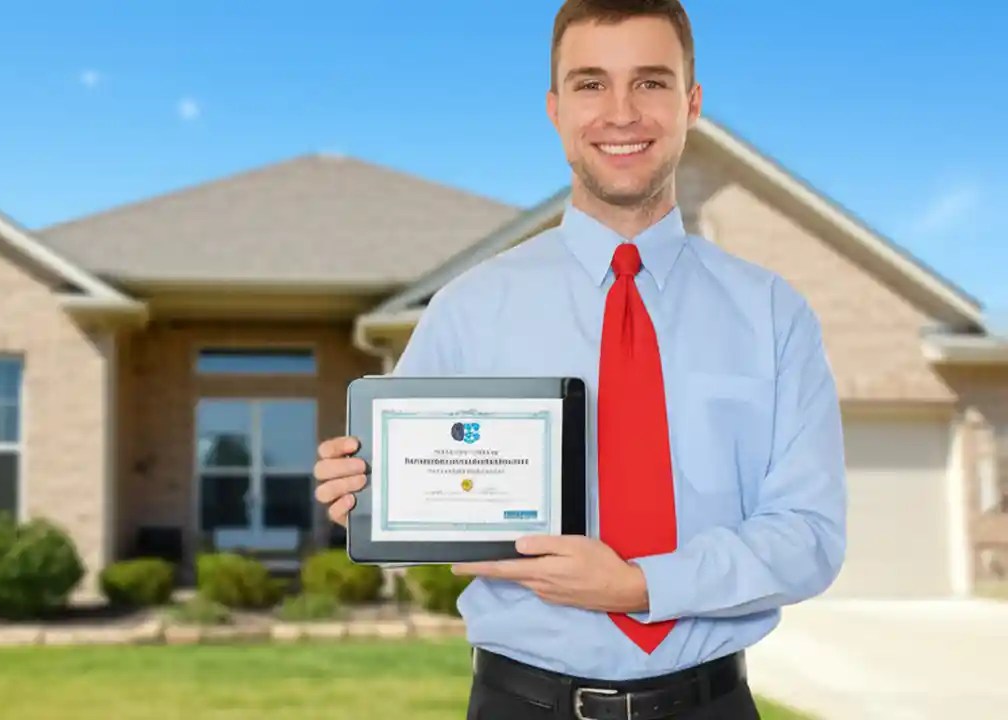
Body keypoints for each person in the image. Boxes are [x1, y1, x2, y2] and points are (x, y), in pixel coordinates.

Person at [314, 1, 847, 718]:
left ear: (692, 103)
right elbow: (406, 527)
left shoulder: (772, 313)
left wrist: (638, 586)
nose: (621, 113)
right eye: (591, 84)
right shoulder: (471, 307)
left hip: (710, 703)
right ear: (555, 108)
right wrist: (364, 498)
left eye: (651, 83)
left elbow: (809, 538)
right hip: (519, 701)